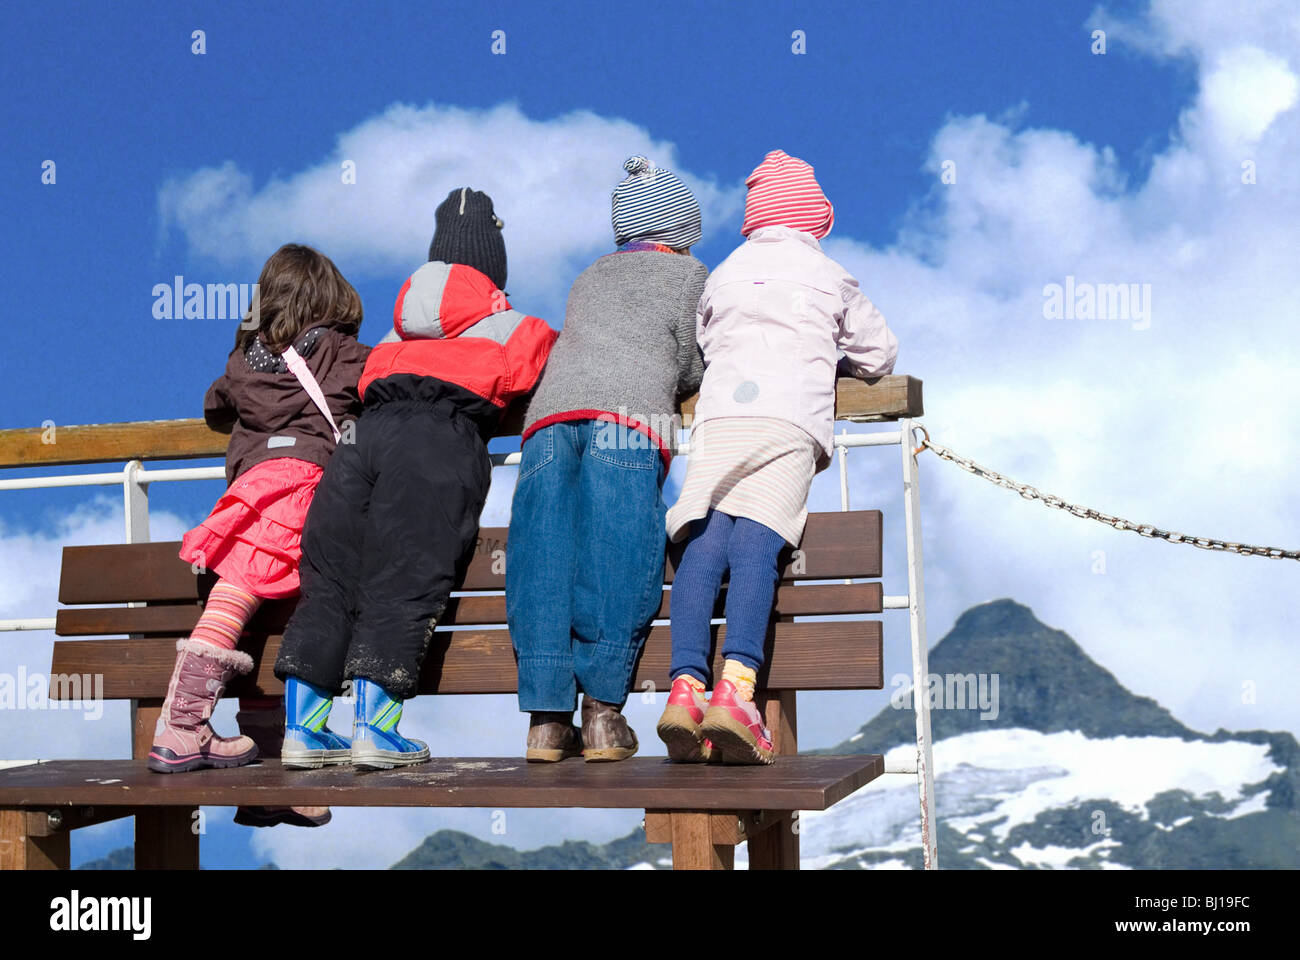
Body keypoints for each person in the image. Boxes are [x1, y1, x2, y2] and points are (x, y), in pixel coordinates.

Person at [274, 188, 557, 770]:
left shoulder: (397, 335)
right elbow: (537, 375)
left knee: (330, 580)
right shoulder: (517, 326)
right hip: (435, 446)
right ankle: (375, 731)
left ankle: (303, 731)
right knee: (405, 578)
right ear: (494, 268)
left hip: (361, 442)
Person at [658, 150, 899, 764]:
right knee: (758, 542)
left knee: (704, 542)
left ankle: (685, 689)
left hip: (720, 421)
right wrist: (828, 357)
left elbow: (710, 341)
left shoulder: (725, 273)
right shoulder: (830, 275)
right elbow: (880, 354)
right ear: (816, 219)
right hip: (786, 422)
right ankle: (737, 691)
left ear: (754, 219)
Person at [150, 243, 369, 830]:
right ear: (330, 298)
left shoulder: (246, 360)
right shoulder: (340, 352)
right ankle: (183, 728)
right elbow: (378, 383)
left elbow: (216, 404)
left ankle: (272, 778)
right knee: (238, 600)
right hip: (304, 492)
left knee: (272, 621)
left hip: (253, 487)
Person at [507, 156, 707, 762]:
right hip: (628, 417)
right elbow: (693, 362)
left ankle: (546, 720)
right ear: (682, 231)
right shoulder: (689, 277)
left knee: (543, 552)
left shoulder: (589, 276)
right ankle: (602, 714)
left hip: (548, 419)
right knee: (618, 548)